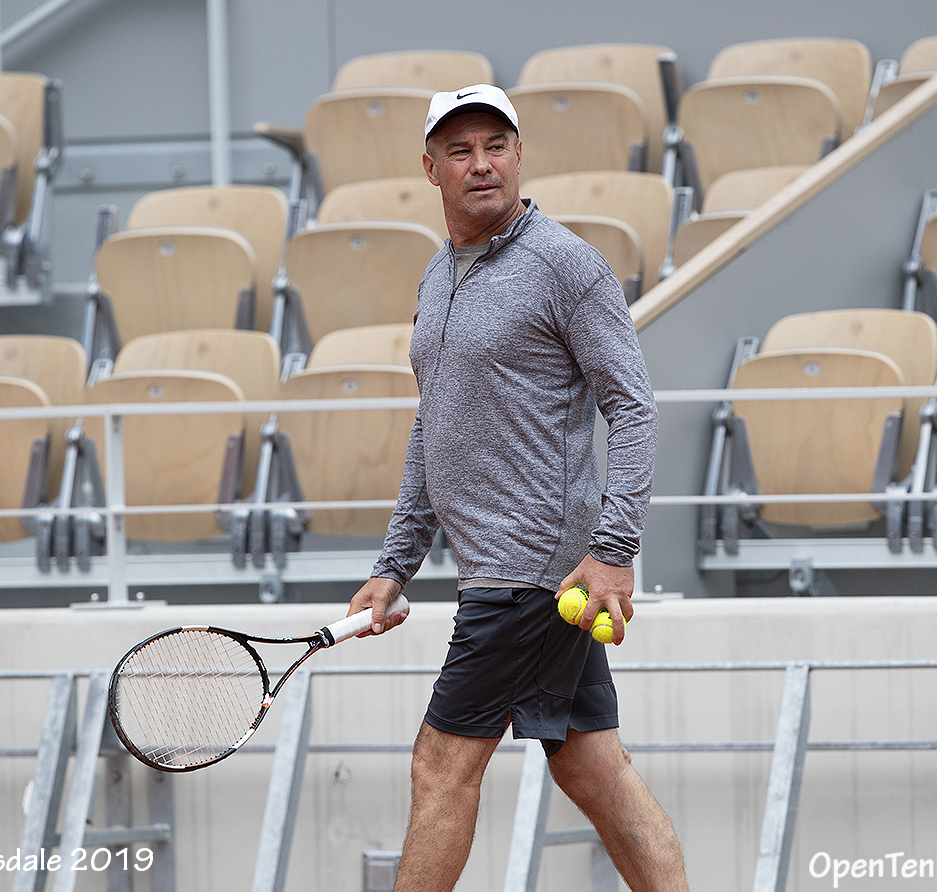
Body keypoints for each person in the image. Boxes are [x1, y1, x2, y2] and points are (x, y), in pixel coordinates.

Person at [348, 84, 691, 892]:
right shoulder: (440, 277)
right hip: (509, 573)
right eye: (460, 151)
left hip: (532, 573)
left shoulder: (565, 264)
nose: (481, 165)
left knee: (439, 769)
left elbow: (633, 408)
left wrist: (612, 551)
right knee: (596, 775)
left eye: (496, 146)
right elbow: (438, 426)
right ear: (430, 168)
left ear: (519, 154)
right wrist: (395, 564)